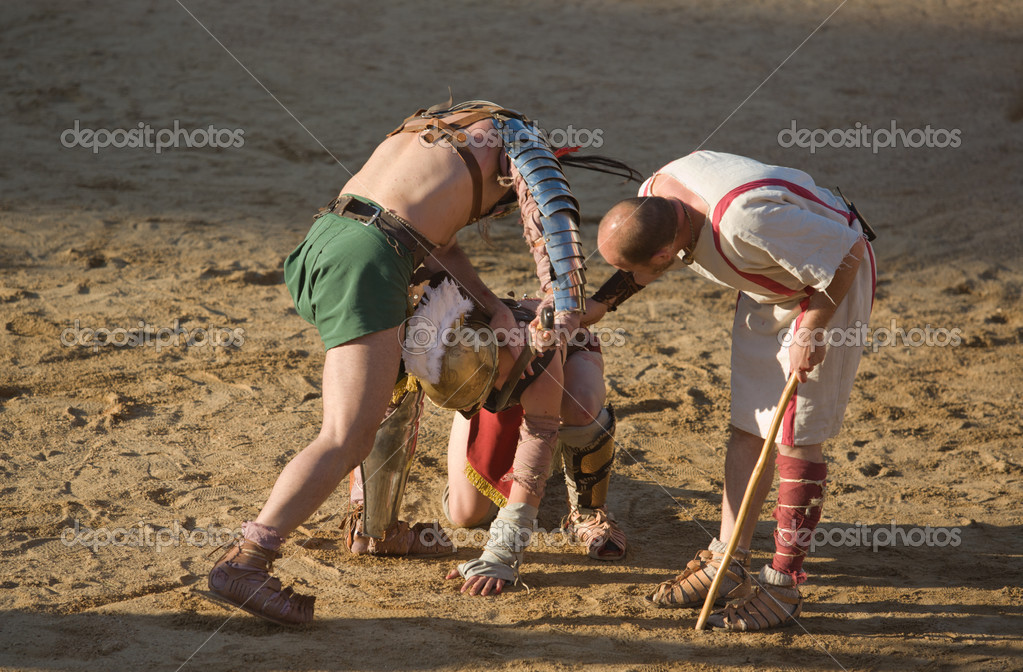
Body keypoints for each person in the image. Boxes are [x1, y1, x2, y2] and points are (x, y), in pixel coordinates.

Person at [204, 99, 635, 624]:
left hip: (328, 242)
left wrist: (495, 307)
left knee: (395, 377)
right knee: (345, 434)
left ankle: (376, 530)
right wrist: (562, 312)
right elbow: (557, 228)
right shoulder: (521, 142)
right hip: (371, 260)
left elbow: (439, 245)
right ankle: (248, 562)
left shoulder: (434, 132)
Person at [591, 150, 876, 631]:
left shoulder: (746, 224)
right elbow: (641, 256)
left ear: (667, 255)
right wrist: (600, 305)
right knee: (748, 427)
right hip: (769, 282)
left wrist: (813, 329)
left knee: (796, 435)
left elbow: (845, 251)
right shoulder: (655, 199)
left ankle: (784, 586)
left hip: (828, 281)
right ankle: (728, 560)